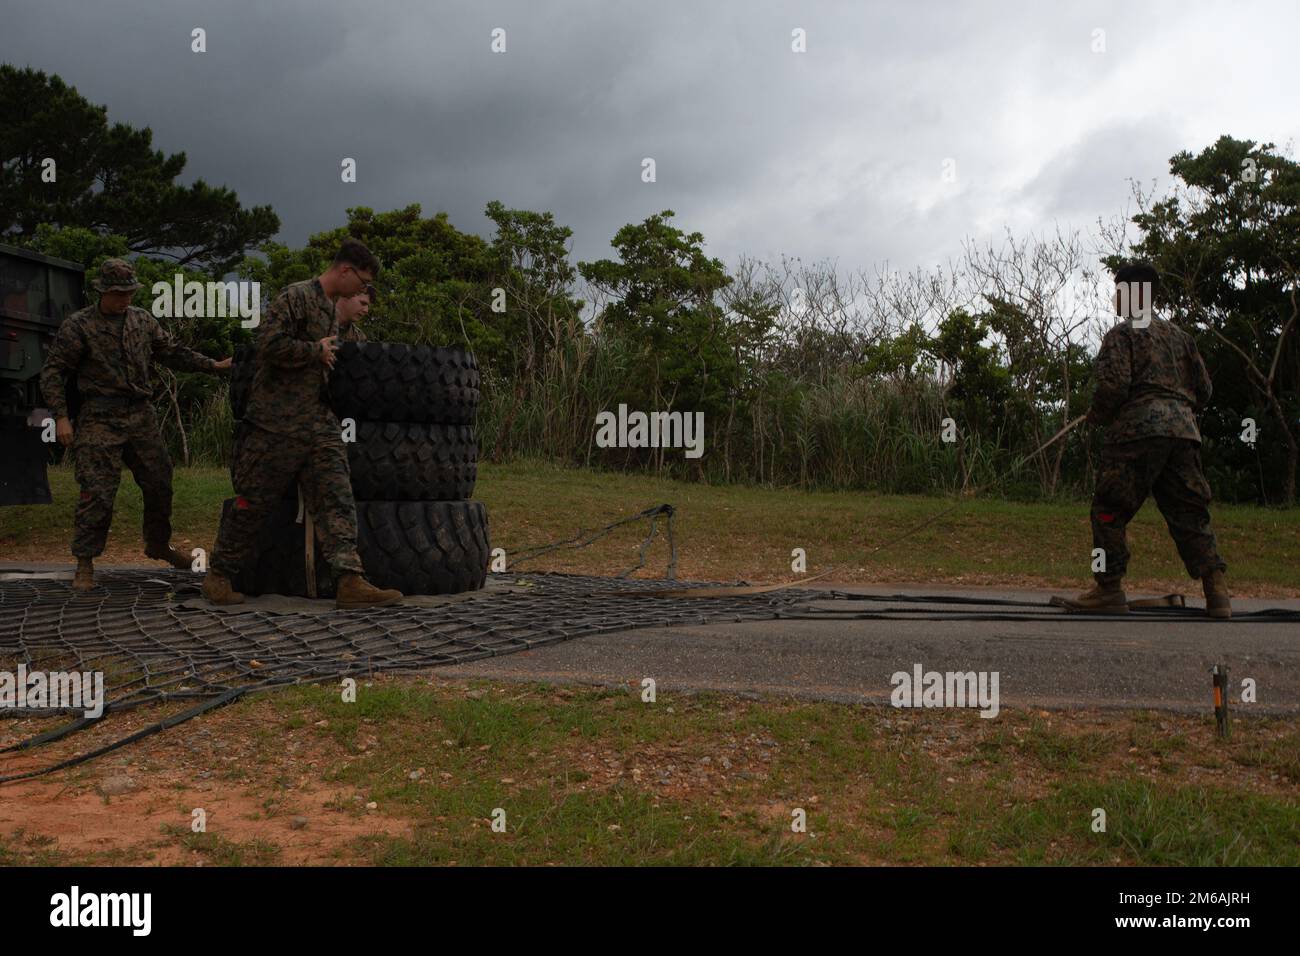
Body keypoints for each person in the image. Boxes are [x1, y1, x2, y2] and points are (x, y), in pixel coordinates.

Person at [202, 239, 402, 609]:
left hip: (316, 422)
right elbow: (268, 345)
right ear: (344, 270)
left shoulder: (329, 310)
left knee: (337, 494)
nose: (362, 290)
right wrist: (314, 351)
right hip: (274, 423)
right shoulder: (295, 297)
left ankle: (349, 580)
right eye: (361, 281)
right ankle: (219, 575)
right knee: (253, 502)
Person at [39, 258, 233, 591]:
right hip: (100, 415)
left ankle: (158, 544)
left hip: (140, 415)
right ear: (102, 291)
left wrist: (212, 365)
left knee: (160, 482)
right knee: (97, 492)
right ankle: (85, 562)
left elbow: (170, 352)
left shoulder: (142, 321)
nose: (125, 299)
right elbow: (54, 371)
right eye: (118, 293)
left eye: (129, 292)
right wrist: (60, 417)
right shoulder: (79, 325)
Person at [1071, 261, 1230, 619]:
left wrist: (1096, 415)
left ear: (1130, 293)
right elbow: (1204, 391)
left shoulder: (1123, 334)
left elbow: (1113, 386)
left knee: (1109, 510)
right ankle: (1216, 590)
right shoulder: (1181, 337)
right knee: (1190, 512)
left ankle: (1108, 589)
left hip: (1137, 433)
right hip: (1184, 432)